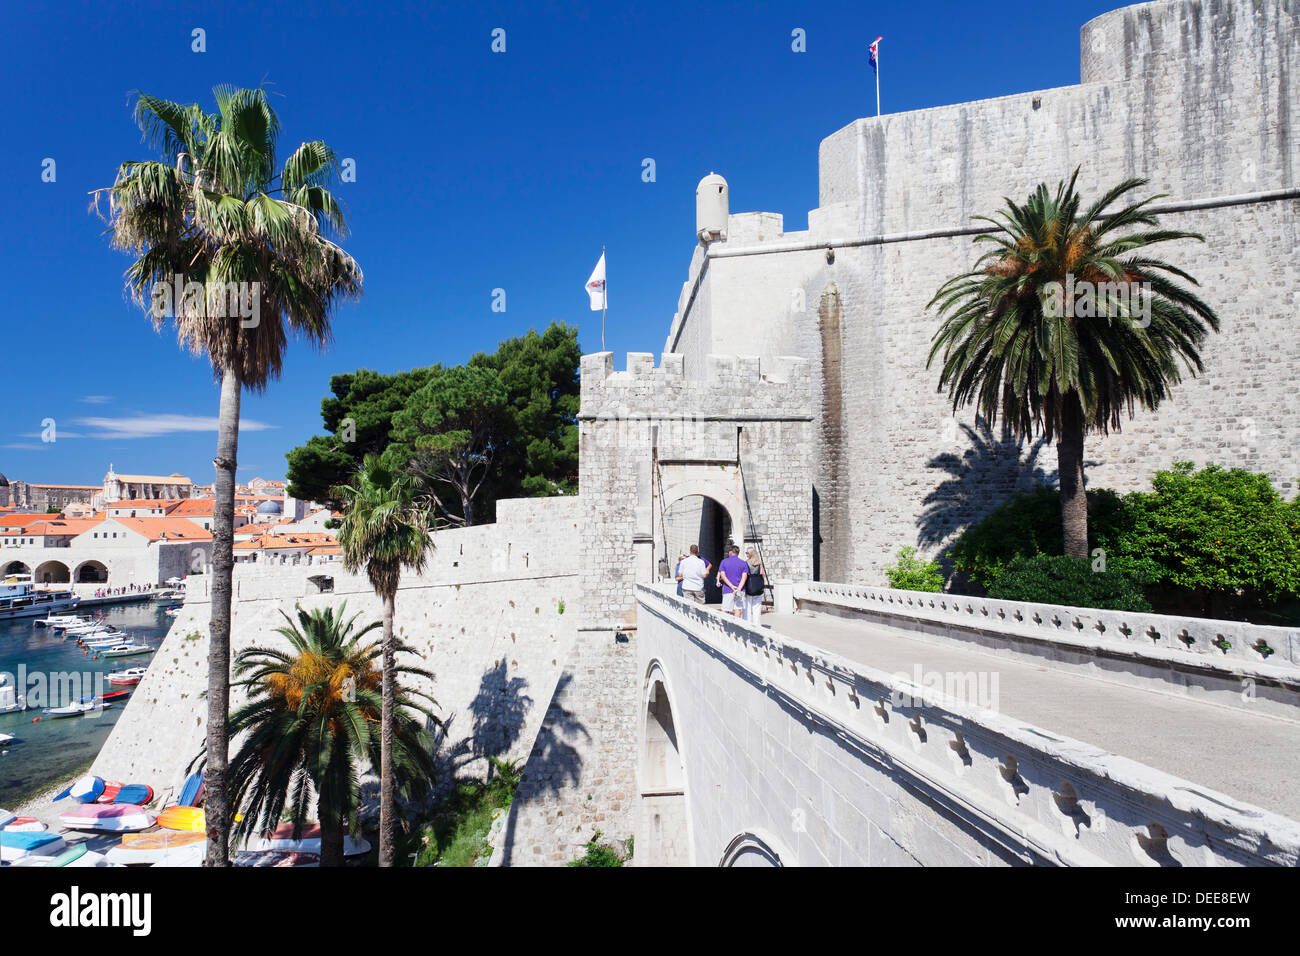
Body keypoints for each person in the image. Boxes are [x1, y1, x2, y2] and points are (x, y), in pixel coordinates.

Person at [717, 545, 749, 618]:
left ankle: (725, 628)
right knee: (738, 610)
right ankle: (736, 627)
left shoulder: (724, 562)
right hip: (740, 590)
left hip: (728, 589)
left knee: (725, 610)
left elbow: (723, 576)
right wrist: (738, 589)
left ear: (730, 552)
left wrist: (731, 586)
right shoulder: (743, 563)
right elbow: (744, 578)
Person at [743, 547, 765, 624]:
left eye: (747, 553)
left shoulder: (746, 563)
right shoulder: (759, 563)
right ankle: (757, 624)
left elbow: (745, 576)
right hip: (758, 587)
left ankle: (747, 623)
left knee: (747, 607)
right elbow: (762, 574)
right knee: (757, 607)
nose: (746, 554)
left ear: (751, 554)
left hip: (749, 587)